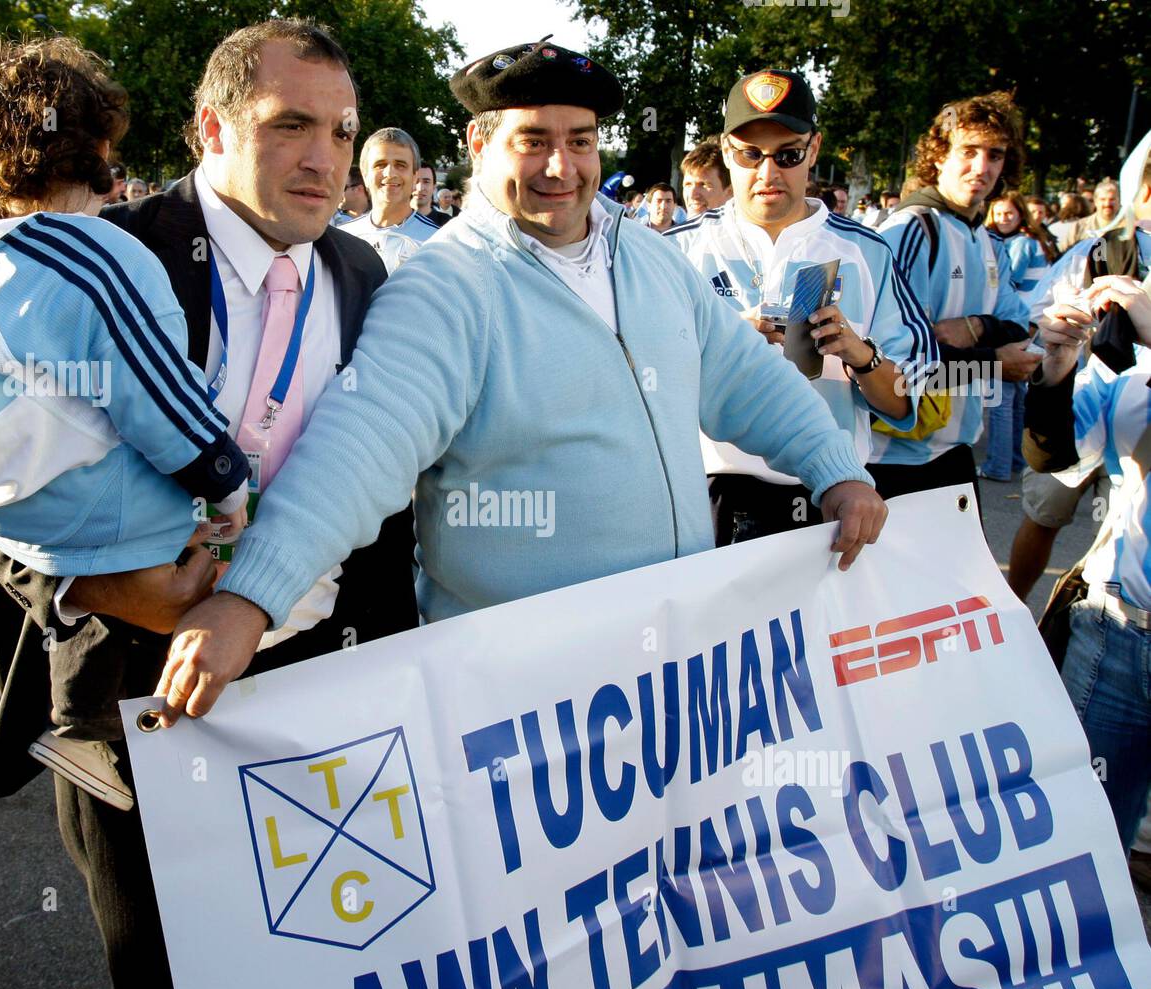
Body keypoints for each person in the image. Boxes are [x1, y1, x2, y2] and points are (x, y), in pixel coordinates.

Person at [153, 38, 888, 727]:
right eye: (533, 140)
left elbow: (749, 380)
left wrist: (836, 470)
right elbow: (360, 450)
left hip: (669, 662)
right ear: (479, 145)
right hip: (523, 690)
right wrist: (252, 595)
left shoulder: (651, 257)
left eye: (580, 141)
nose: (560, 167)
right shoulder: (446, 288)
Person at [0, 21, 417, 989]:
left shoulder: (368, 278)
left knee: (323, 969)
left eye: (340, 128)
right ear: (212, 127)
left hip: (321, 683)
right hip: (135, 698)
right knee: (165, 986)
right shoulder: (98, 254)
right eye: (290, 124)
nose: (324, 156)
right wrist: (107, 587)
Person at [0, 36, 253, 812]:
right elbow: (158, 394)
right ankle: (91, 723)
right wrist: (225, 482)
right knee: (175, 537)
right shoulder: (93, 254)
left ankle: (72, 717)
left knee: (97, 564)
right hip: (95, 513)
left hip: (1, 507)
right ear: (92, 147)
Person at [666, 68, 935, 544]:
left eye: (787, 154)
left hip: (832, 495)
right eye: (750, 154)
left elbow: (910, 402)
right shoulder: (674, 252)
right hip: (709, 492)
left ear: (813, 149)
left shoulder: (868, 252)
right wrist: (721, 343)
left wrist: (861, 355)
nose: (767, 173)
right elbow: (641, 383)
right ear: (727, 151)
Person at [1026, 272, 1151, 851]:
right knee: (1082, 843)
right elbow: (1058, 456)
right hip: (1117, 632)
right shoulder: (1132, 327)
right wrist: (1058, 364)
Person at [873, 91, 1039, 500]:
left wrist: (976, 326)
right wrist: (992, 364)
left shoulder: (987, 239)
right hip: (892, 459)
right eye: (969, 151)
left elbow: (1022, 328)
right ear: (938, 156)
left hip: (955, 450)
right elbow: (894, 368)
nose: (981, 167)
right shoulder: (910, 231)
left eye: (995, 155)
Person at [1005, 160, 1151, 601]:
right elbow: (1038, 317)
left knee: (1118, 521)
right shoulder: (1098, 251)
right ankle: (1015, 611)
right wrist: (1059, 354)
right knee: (1045, 515)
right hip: (1091, 405)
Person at [979, 190, 1059, 482]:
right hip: (1031, 323)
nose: (1002, 219)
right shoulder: (1034, 239)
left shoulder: (1020, 244)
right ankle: (1014, 458)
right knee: (1016, 397)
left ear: (1021, 214)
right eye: (998, 214)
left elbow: (1004, 282)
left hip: (1017, 324)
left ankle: (998, 464)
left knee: (1002, 398)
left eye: (1009, 214)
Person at [340, 127, 440, 272]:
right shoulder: (342, 238)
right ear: (365, 175)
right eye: (380, 165)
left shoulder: (436, 243)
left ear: (414, 177)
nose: (390, 173)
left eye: (400, 165)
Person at [680, 137, 731, 218]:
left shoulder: (747, 229)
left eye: (703, 185)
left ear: (729, 192)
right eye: (688, 185)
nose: (692, 194)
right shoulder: (677, 230)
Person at [413, 164, 450, 228]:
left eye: (426, 182)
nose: (420, 188)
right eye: (416, 181)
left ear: (434, 187)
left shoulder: (447, 224)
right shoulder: (396, 220)